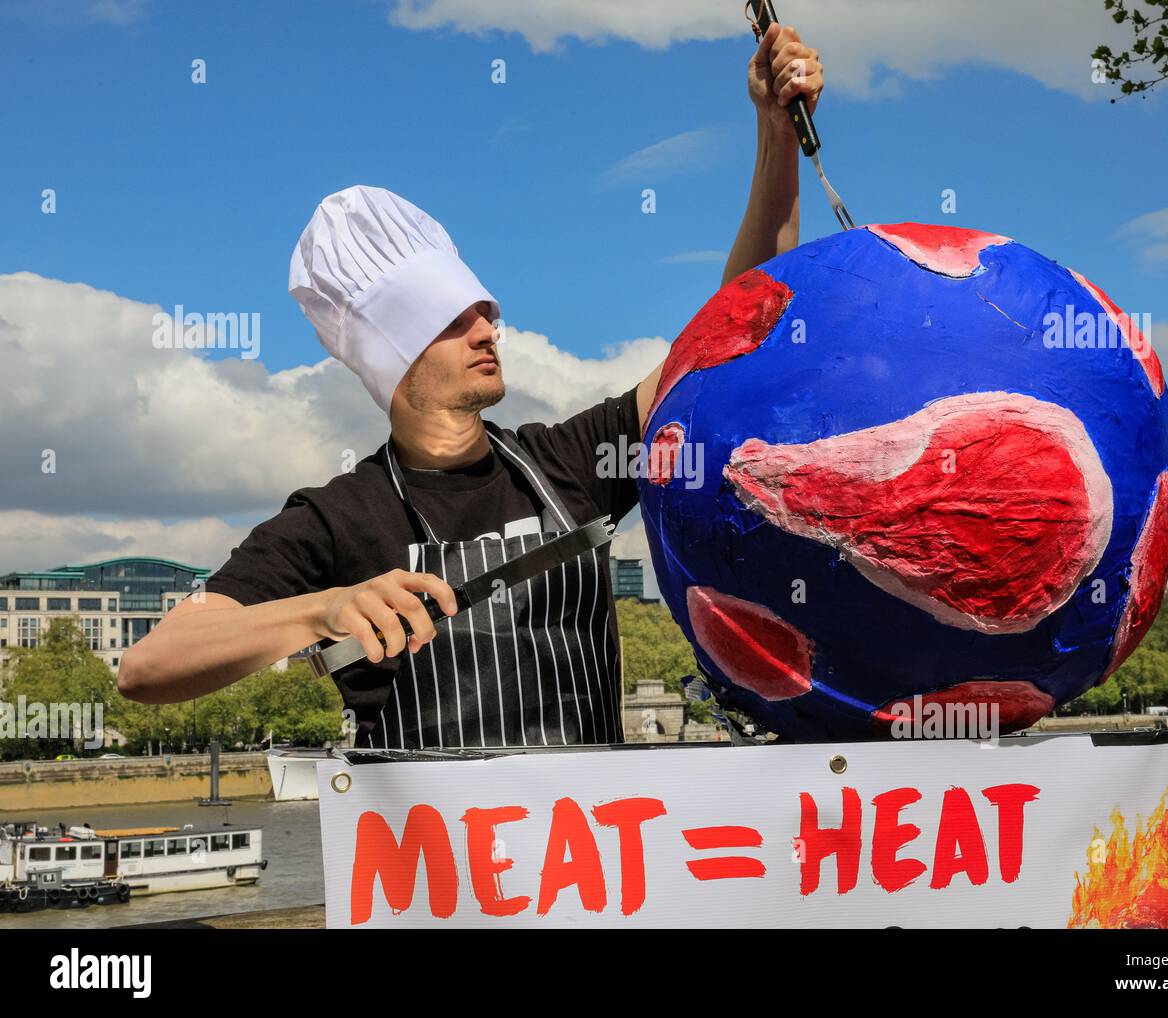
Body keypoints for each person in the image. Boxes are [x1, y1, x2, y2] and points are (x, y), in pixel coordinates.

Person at [118, 23, 827, 750]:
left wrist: (775, 136)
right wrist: (324, 610)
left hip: (589, 853)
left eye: (485, 311)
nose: (487, 330)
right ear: (393, 355)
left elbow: (731, 332)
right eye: (453, 321)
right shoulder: (335, 522)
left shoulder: (568, 463)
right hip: (429, 862)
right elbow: (148, 667)